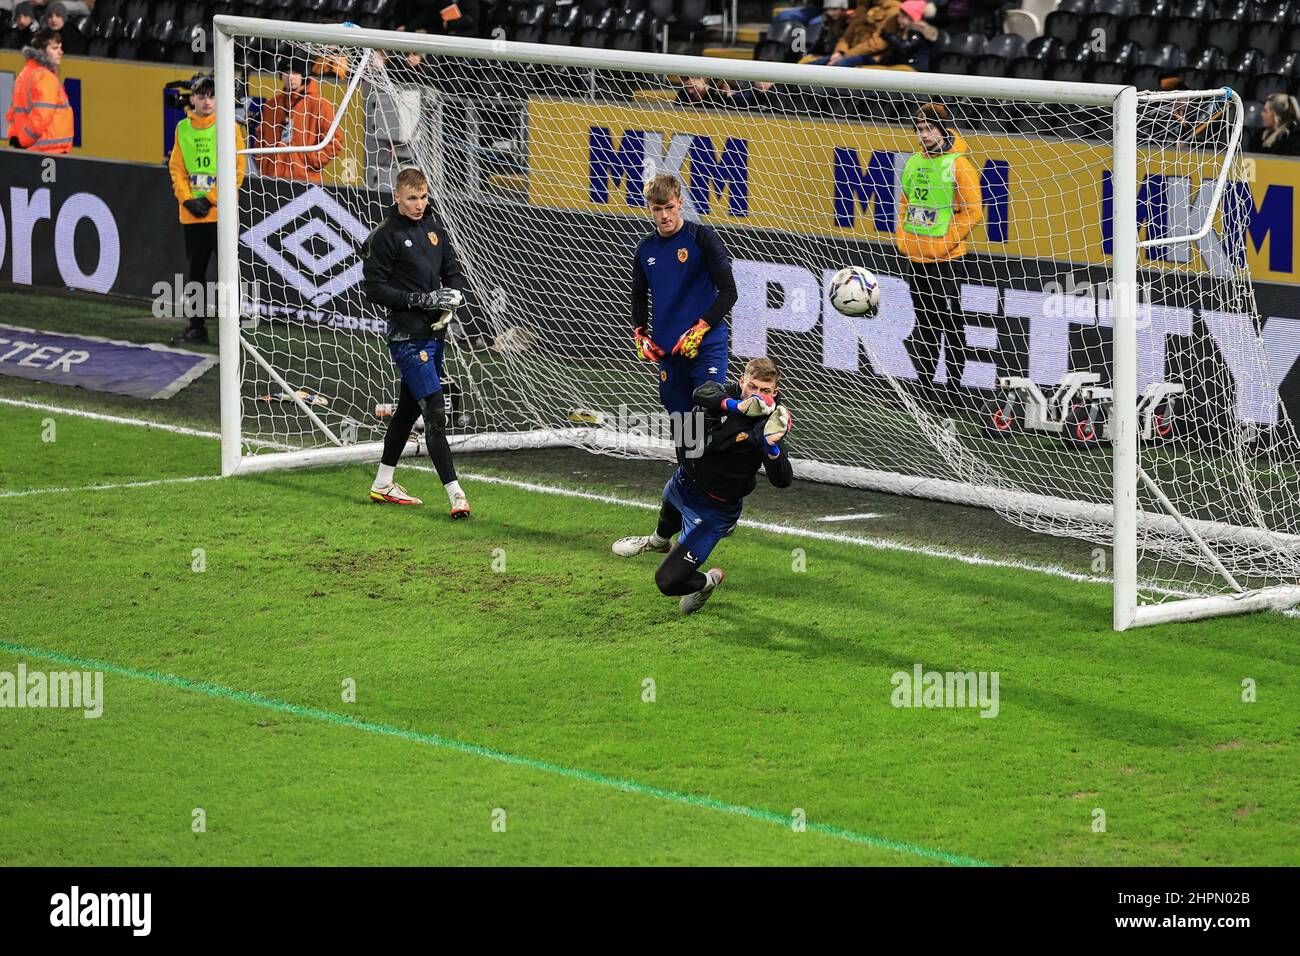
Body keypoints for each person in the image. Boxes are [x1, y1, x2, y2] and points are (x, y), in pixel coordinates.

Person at [611, 358, 794, 615]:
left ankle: (709, 582)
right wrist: (736, 406)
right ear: (741, 382)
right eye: (752, 387)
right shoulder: (726, 395)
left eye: (765, 391)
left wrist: (772, 447)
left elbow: (783, 479)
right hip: (685, 481)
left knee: (667, 581)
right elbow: (701, 392)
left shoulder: (770, 424)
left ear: (775, 393)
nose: (758, 395)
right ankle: (656, 542)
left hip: (713, 509)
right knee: (668, 513)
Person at [361, 166, 471, 518]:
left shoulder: (434, 229)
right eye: (412, 198)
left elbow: (452, 271)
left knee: (408, 408)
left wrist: (452, 296)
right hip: (407, 337)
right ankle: (456, 495)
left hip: (434, 334)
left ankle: (382, 483)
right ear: (397, 197)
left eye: (423, 197)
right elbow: (374, 289)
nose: (419, 204)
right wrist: (419, 300)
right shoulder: (385, 236)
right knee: (435, 411)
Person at [631, 173, 737, 428]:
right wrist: (640, 332)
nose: (664, 215)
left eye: (669, 207)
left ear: (679, 202)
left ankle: (714, 466)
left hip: (706, 345)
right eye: (658, 209)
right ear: (649, 208)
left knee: (707, 414)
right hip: (669, 351)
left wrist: (701, 327)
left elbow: (729, 292)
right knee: (683, 425)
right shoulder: (645, 249)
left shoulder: (702, 238)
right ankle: (686, 469)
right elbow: (638, 296)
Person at [895, 102, 982, 409]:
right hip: (917, 258)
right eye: (920, 129)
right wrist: (903, 239)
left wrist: (944, 244)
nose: (924, 135)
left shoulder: (959, 164)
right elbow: (905, 201)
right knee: (925, 324)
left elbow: (973, 211)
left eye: (929, 129)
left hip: (947, 260)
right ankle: (925, 389)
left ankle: (954, 390)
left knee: (950, 323)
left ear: (944, 130)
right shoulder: (915, 162)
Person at [167, 73, 247, 346]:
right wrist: (187, 199)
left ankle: (233, 329)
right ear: (192, 98)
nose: (207, 101)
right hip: (192, 213)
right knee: (196, 273)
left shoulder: (230, 128)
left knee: (227, 273)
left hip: (220, 213)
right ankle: (196, 327)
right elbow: (176, 168)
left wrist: (212, 199)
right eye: (201, 95)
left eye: (212, 96)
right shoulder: (182, 128)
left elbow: (237, 170)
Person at [253, 59, 341, 181]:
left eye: (295, 72)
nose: (290, 77)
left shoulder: (319, 104)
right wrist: (264, 163)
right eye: (286, 72)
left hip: (305, 179)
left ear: (304, 75)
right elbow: (260, 136)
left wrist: (310, 160)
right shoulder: (272, 104)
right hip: (272, 177)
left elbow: (335, 140)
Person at [5, 28, 72, 154]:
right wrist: (24, 141)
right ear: (42, 51)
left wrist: (16, 139)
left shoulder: (25, 73)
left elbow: (13, 113)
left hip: (33, 151)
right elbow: (42, 117)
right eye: (55, 48)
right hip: (48, 152)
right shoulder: (46, 77)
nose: (61, 52)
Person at [798, 0, 852, 64]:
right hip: (829, 56)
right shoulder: (826, 23)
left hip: (843, 56)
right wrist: (811, 54)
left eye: (834, 9)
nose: (830, 13)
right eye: (827, 9)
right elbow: (819, 43)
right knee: (804, 61)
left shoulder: (850, 24)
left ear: (844, 9)